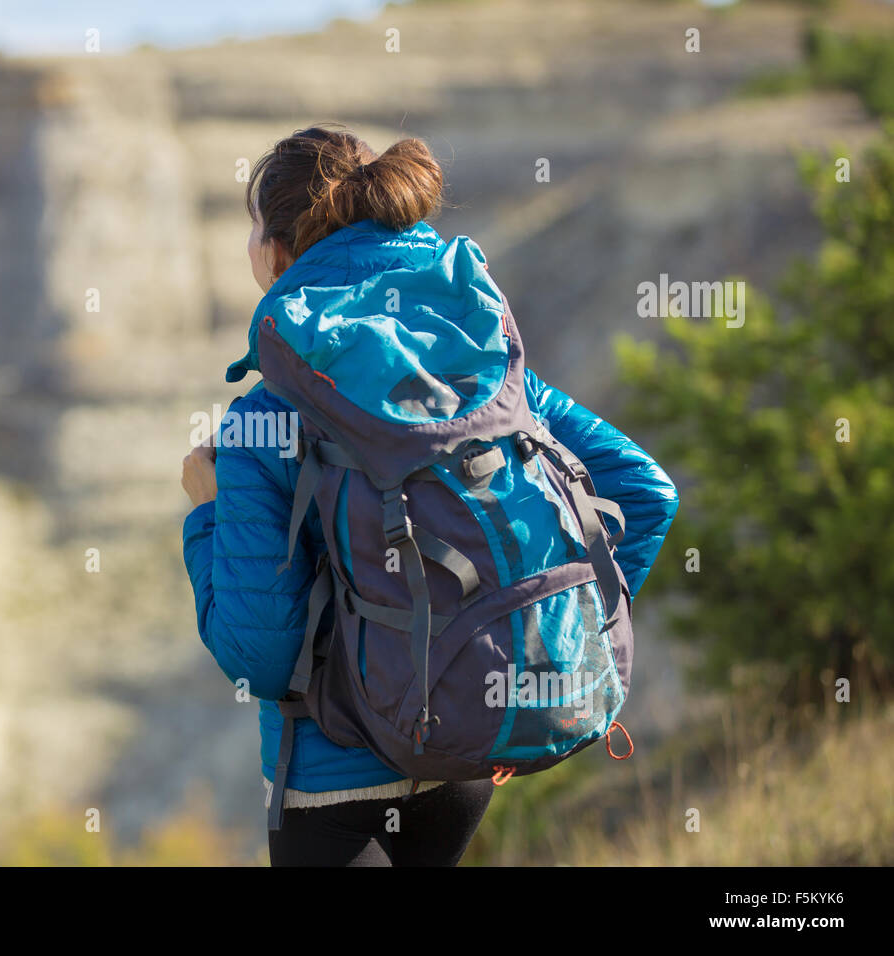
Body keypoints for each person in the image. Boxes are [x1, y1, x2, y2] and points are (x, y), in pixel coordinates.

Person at [181, 124, 679, 866]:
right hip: (463, 761)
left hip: (335, 786)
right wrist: (541, 664)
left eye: (255, 224)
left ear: (280, 249)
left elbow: (258, 653)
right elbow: (644, 491)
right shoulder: (489, 378)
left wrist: (204, 510)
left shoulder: (265, 417)